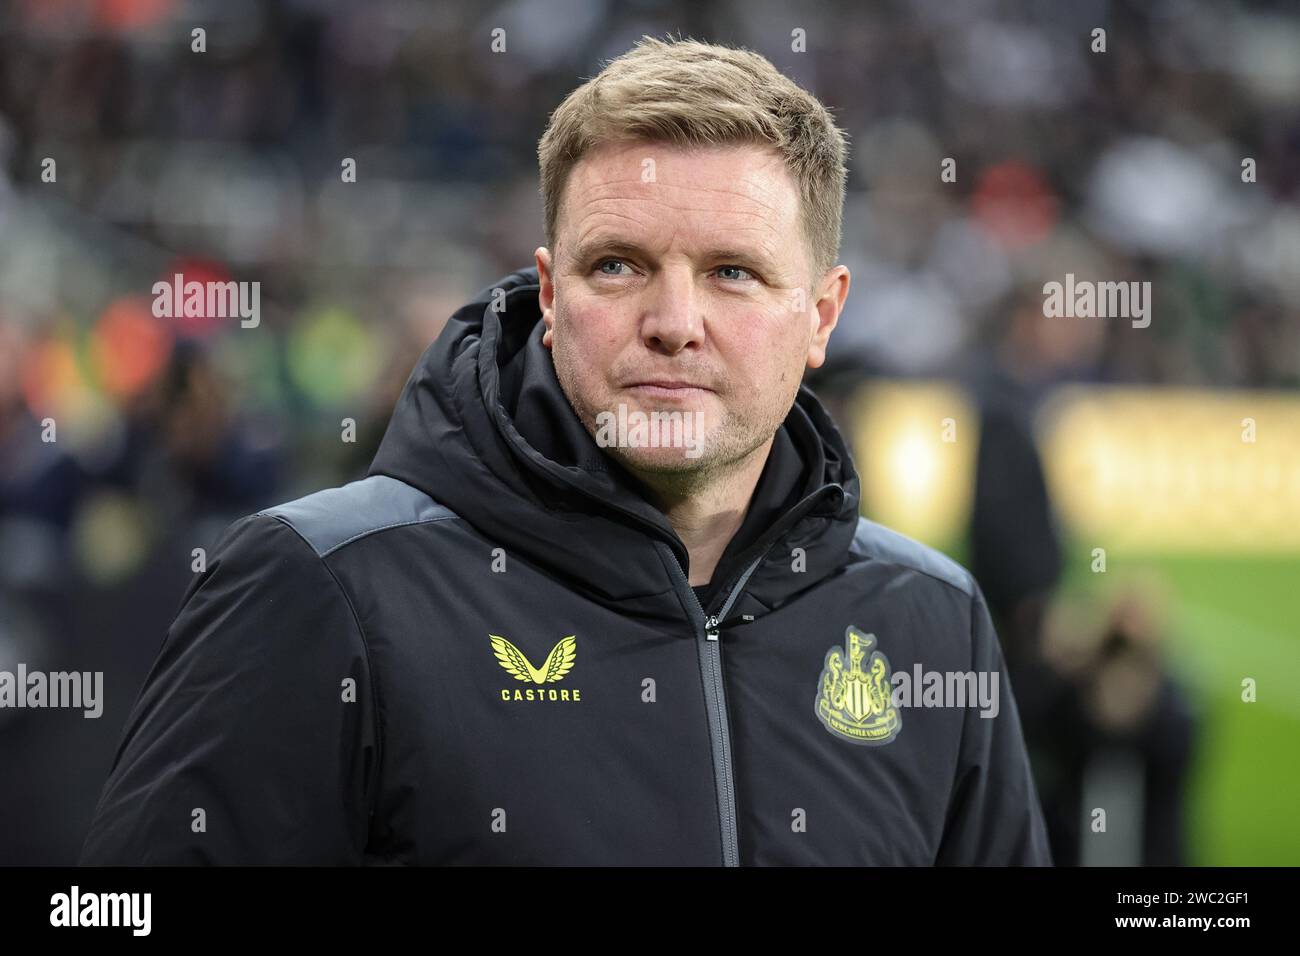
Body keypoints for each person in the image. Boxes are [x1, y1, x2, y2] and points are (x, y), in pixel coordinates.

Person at [79, 36, 1051, 866]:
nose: (674, 322)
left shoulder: (933, 620)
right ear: (548, 293)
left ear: (821, 313)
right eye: (618, 265)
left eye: (732, 273)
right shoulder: (323, 583)